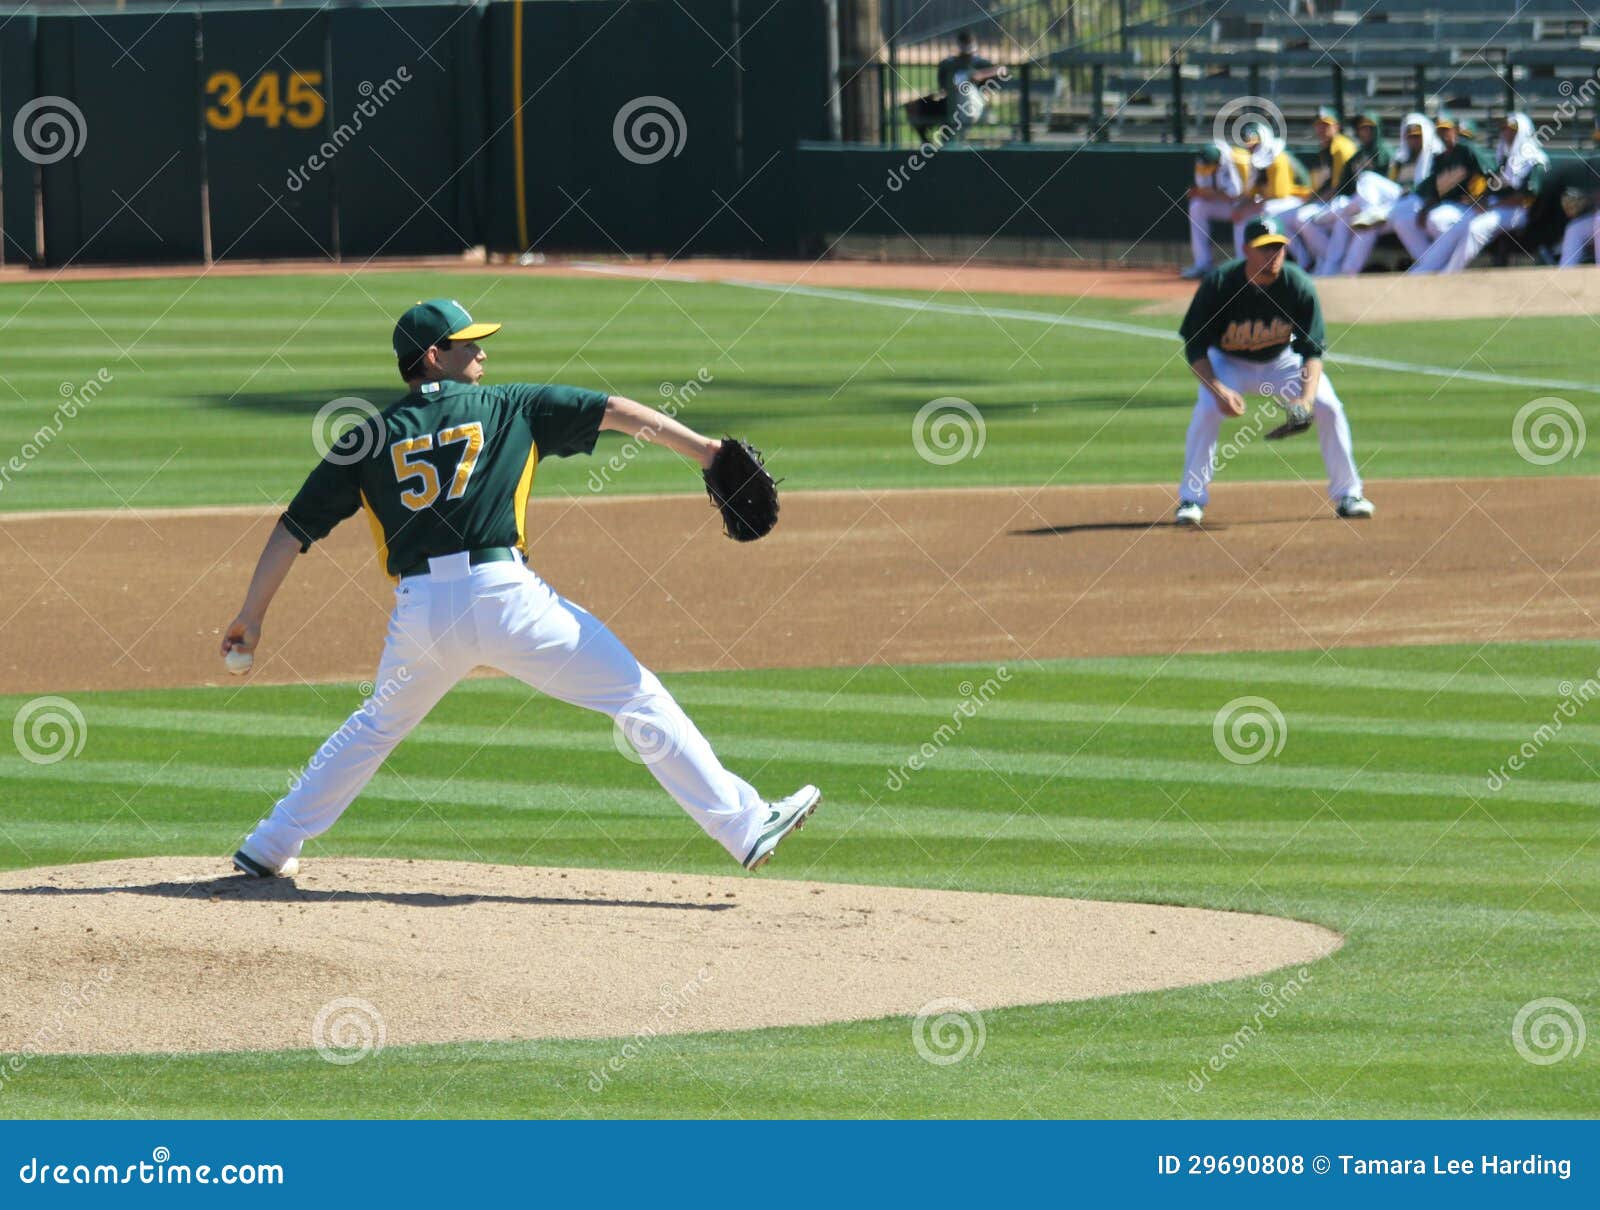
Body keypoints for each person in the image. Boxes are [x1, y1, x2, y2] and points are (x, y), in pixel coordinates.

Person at [221, 299, 821, 879]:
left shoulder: (369, 436)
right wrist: (707, 451)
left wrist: (252, 614)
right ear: (433, 355)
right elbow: (615, 411)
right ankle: (744, 826)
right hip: (507, 597)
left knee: (375, 725)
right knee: (635, 697)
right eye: (468, 343)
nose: (482, 351)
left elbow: (292, 529)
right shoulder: (512, 405)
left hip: (423, 614)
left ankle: (270, 844)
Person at [1173, 216, 1372, 526]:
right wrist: (1219, 390)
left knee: (1328, 407)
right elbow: (1195, 348)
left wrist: (1306, 400)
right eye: (1265, 249)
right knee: (1208, 411)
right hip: (1229, 362)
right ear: (1246, 250)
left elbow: (1312, 351)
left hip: (1281, 362)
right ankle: (1191, 498)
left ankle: (1349, 494)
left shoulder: (1298, 285)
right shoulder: (1220, 284)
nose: (1273, 255)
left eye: (1279, 248)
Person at [1409, 112, 1548, 273]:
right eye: (1504, 129)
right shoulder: (1506, 158)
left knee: (1477, 227)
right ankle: (1424, 269)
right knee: (1458, 224)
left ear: (1523, 131)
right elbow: (1493, 188)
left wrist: (1492, 204)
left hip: (1520, 211)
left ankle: (1450, 272)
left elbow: (1526, 197)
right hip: (1499, 207)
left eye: (1512, 130)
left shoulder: (1535, 159)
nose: (1506, 133)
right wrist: (1480, 201)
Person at [1321, 112, 1432, 277]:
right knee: (1366, 226)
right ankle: (1346, 272)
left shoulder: (1433, 157)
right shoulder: (1402, 158)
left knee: (1367, 179)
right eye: (1409, 136)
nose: (1413, 140)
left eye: (1417, 136)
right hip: (1396, 204)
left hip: (1416, 203)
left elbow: (1426, 190)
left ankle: (1430, 264)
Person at [1390, 113, 1492, 264]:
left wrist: (1484, 199)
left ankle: (1437, 265)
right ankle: (1432, 264)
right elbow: (1434, 192)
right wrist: (1425, 208)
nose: (1444, 134)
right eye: (1440, 131)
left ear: (1455, 130)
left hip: (1473, 208)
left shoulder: (1468, 151)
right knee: (1406, 221)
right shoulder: (1439, 159)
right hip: (1453, 206)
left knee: (1436, 219)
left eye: (1447, 130)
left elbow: (1491, 175)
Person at [1280, 108, 1358, 270]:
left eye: (1326, 125)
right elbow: (1329, 183)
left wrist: (1313, 201)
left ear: (1336, 126)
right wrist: (1312, 198)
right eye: (1319, 125)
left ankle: (1331, 261)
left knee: (1302, 217)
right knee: (1288, 218)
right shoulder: (1328, 146)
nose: (1322, 129)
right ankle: (1319, 261)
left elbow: (1338, 187)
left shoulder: (1340, 147)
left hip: (1350, 201)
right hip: (1339, 199)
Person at [1232, 124, 1311, 256]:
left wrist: (1252, 206)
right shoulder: (1257, 160)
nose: (1252, 149)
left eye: (1256, 145)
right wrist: (1242, 208)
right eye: (1250, 146)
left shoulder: (1277, 157)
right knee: (1241, 213)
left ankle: (1303, 259)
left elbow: (1278, 194)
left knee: (1269, 212)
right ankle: (1242, 261)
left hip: (1300, 199)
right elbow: (1254, 194)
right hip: (1278, 202)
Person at [1182, 141, 1250, 278]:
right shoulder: (1202, 161)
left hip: (1249, 204)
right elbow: (1204, 191)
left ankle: (1243, 267)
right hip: (1225, 202)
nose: (1206, 168)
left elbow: (1237, 195)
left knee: (1240, 213)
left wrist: (1206, 193)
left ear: (1219, 162)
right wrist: (1203, 193)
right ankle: (1202, 264)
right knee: (1197, 206)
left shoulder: (1237, 161)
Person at [934, 31, 998, 139]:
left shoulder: (980, 63)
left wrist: (980, 75)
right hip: (954, 104)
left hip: (977, 104)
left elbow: (1002, 71)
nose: (968, 56)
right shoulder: (948, 64)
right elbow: (943, 89)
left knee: (969, 92)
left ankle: (964, 126)